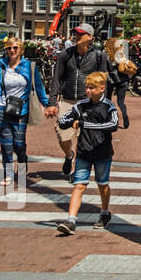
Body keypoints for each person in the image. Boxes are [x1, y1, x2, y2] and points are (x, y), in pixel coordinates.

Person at [0, 36, 50, 187]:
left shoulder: (29, 67)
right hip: (2, 111)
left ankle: (22, 163)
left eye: (15, 48)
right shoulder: (1, 68)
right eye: (9, 48)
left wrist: (47, 105)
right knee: (6, 145)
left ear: (21, 49)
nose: (12, 51)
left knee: (19, 144)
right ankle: (9, 174)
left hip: (20, 112)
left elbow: (39, 88)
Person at [55, 71, 119, 234]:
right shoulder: (80, 105)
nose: (88, 91)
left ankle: (105, 212)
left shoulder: (109, 106)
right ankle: (71, 221)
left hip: (102, 152)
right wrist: (68, 121)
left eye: (92, 88)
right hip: (84, 151)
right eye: (87, 87)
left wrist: (84, 124)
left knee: (102, 184)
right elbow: (63, 121)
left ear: (102, 88)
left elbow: (112, 125)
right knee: (79, 185)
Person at [46, 23, 110, 177]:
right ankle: (69, 155)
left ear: (90, 37)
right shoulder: (65, 54)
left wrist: (103, 105)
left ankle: (76, 170)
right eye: (76, 34)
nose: (77, 36)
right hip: (67, 101)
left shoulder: (99, 56)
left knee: (84, 138)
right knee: (63, 134)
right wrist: (52, 103)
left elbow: (103, 82)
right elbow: (57, 79)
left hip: (87, 102)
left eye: (81, 34)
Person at [104, 35, 132, 130]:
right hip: (123, 80)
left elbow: (108, 69)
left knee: (108, 100)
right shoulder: (121, 54)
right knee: (121, 102)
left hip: (111, 80)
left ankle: (112, 118)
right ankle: (125, 117)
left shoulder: (107, 55)